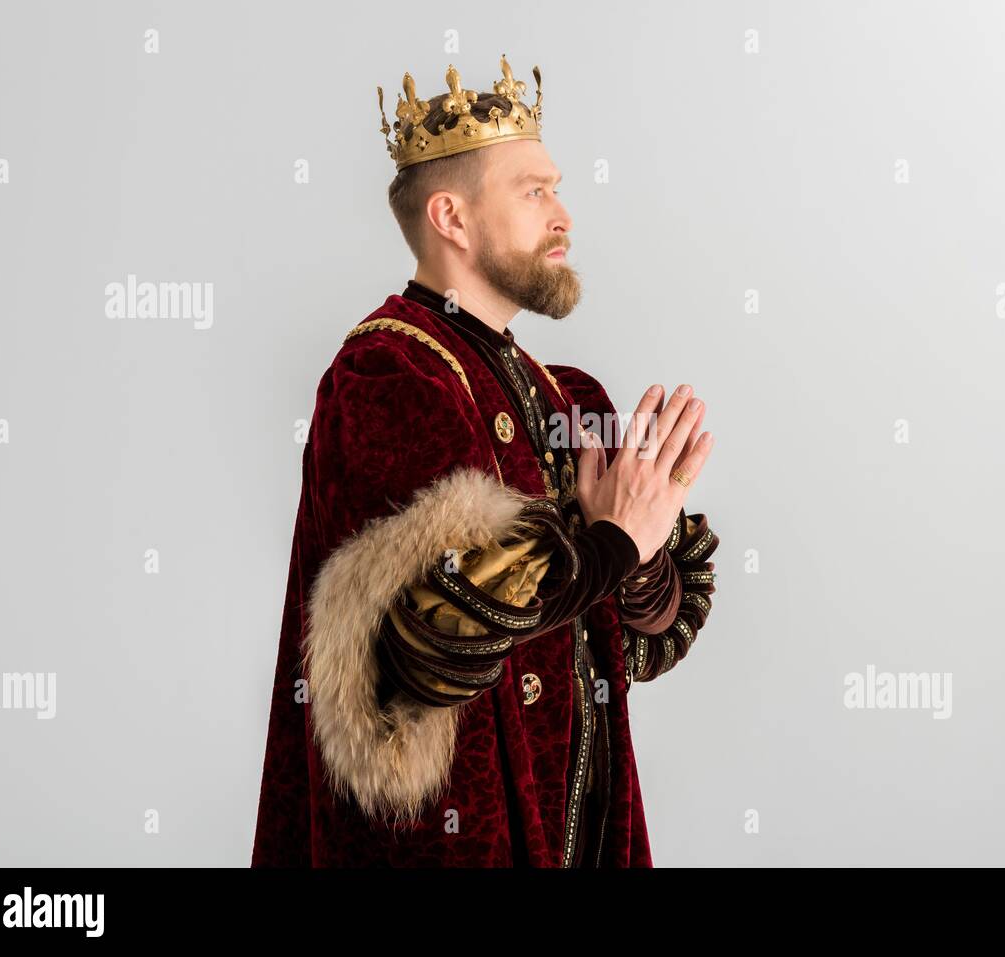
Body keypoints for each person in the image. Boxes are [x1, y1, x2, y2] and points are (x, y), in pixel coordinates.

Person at [251, 55, 719, 867]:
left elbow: (632, 640)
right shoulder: (390, 376)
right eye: (534, 191)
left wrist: (642, 553)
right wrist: (611, 540)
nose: (563, 213)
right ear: (452, 218)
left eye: (557, 187)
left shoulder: (566, 398)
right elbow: (437, 636)